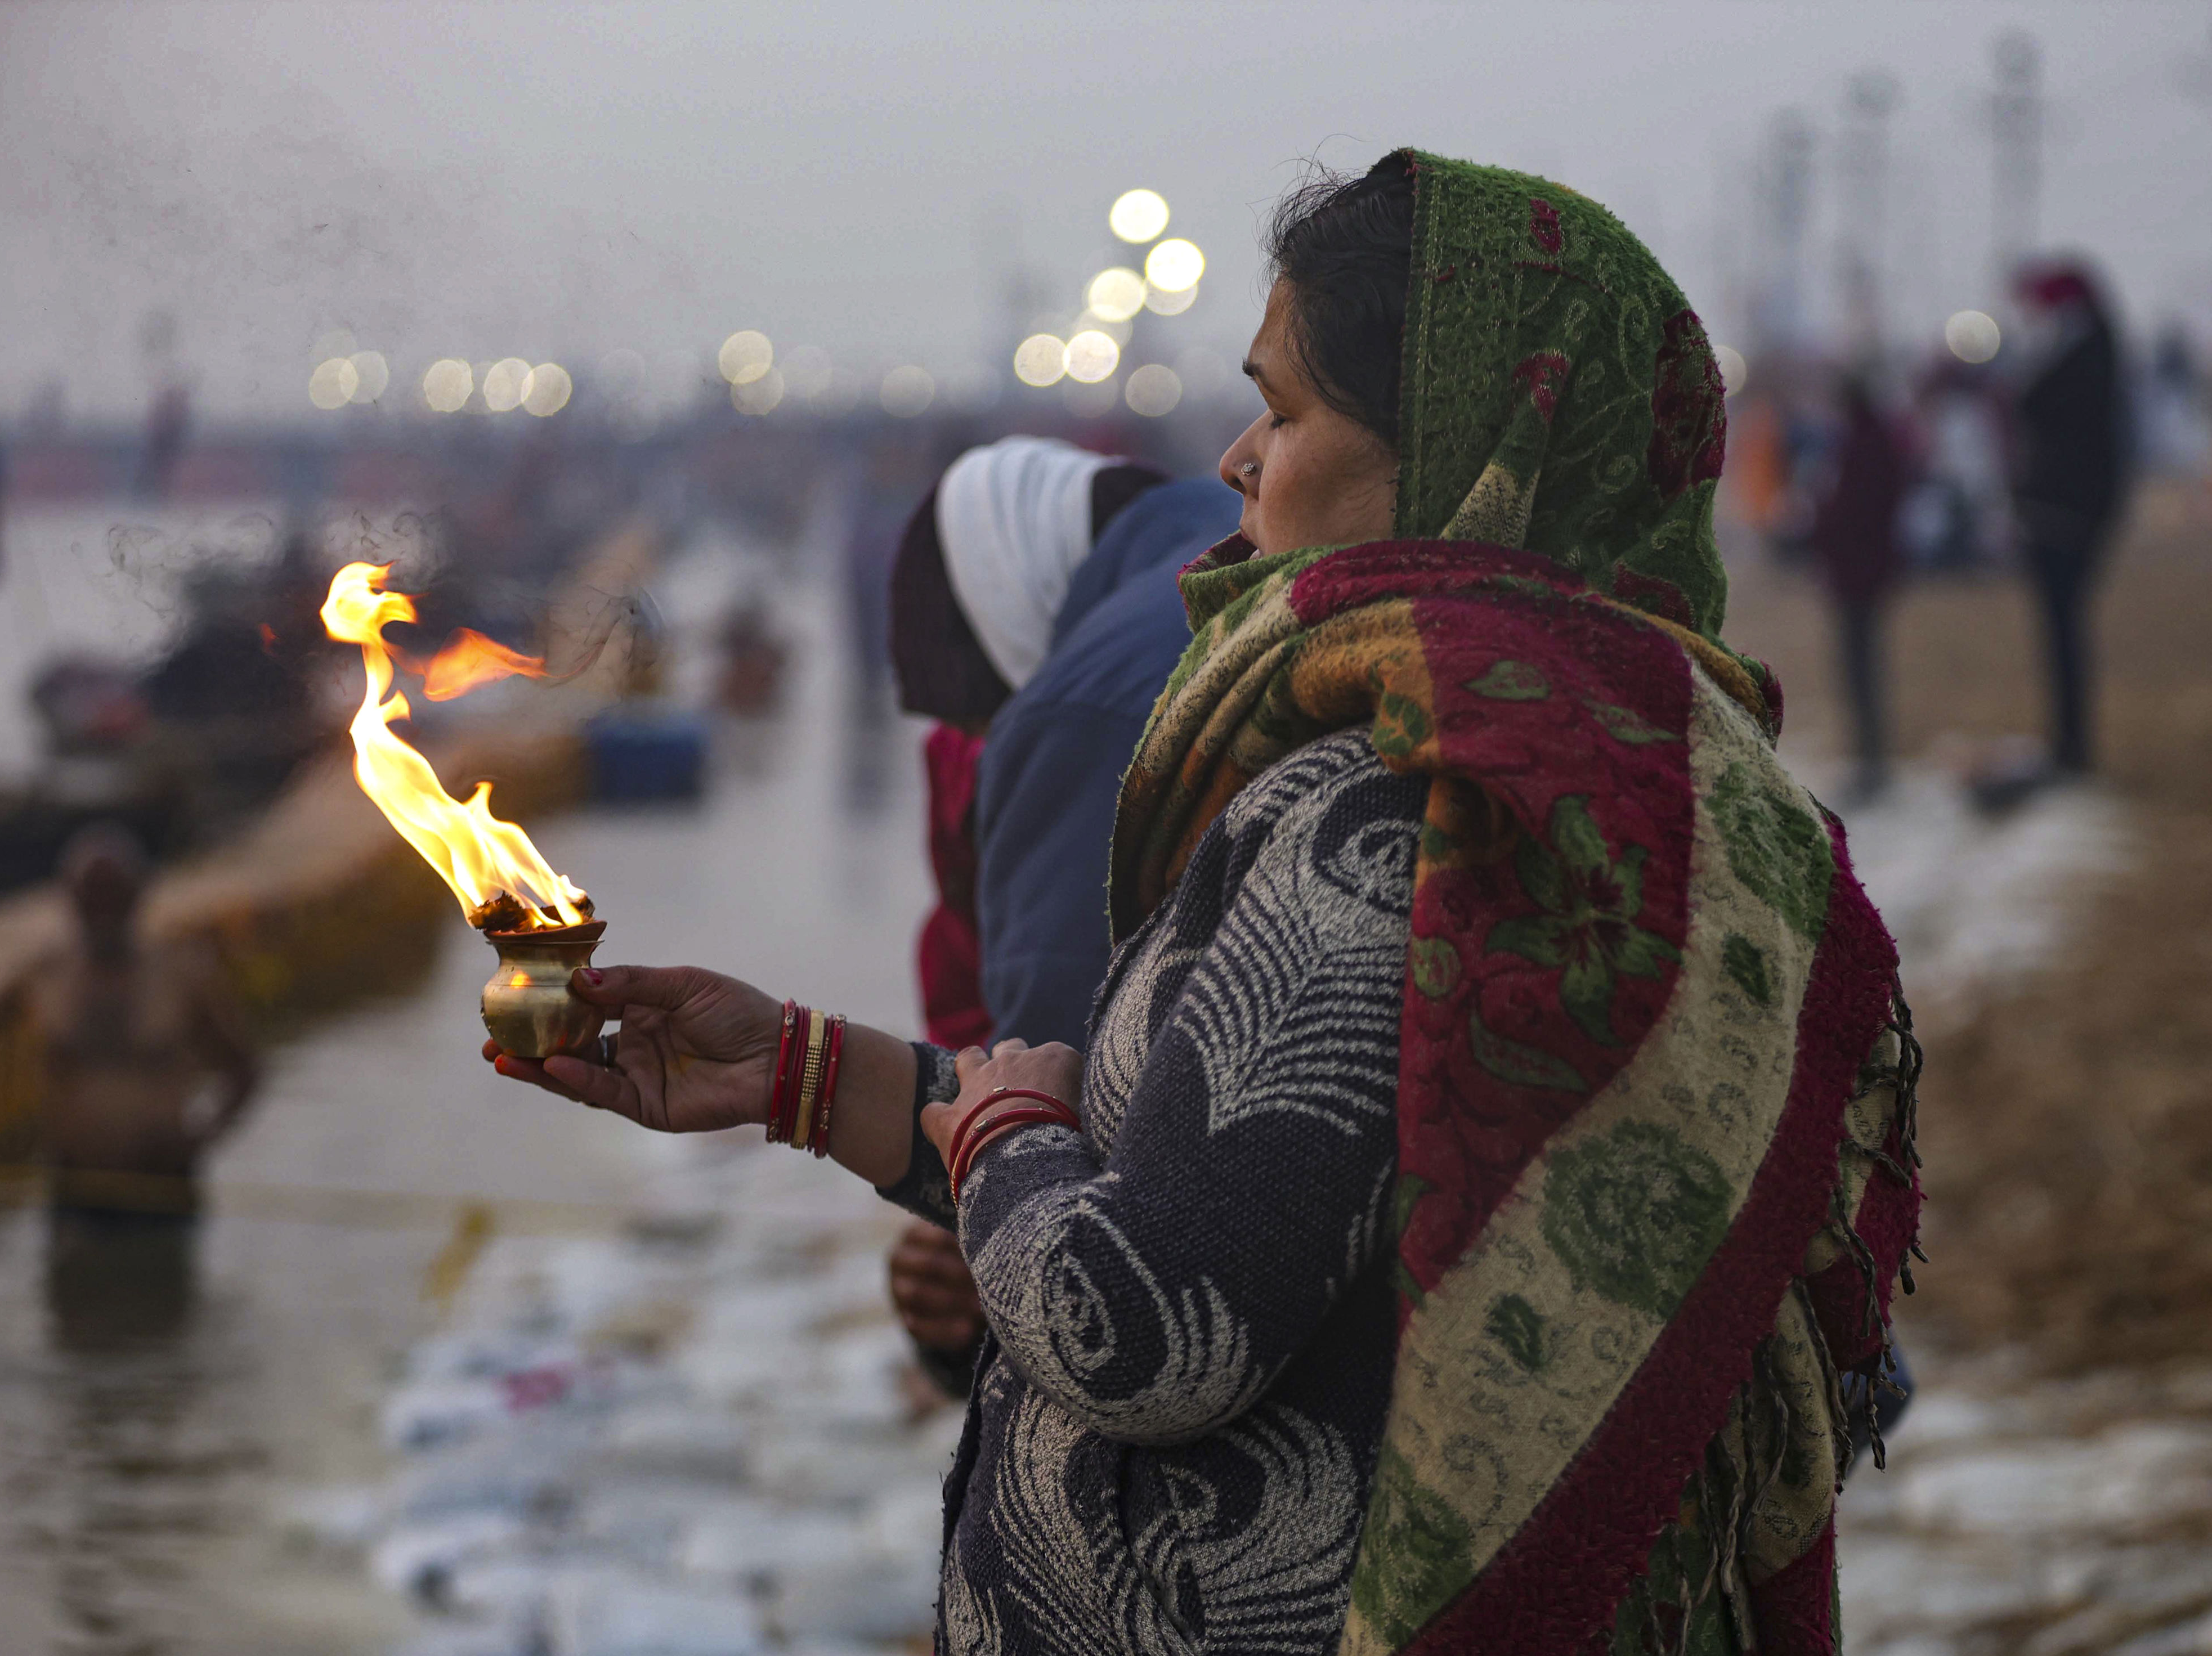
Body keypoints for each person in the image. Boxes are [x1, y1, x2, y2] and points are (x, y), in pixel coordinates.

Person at [490, 151, 1921, 1653]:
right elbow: (1237, 1181)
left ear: (1459, 459)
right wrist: (797, 1073)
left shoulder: (1393, 809)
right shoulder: (1601, 771)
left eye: (1283, 413)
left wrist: (999, 1140)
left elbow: (1147, 1323)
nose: (1235, 460)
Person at [885, 438, 1240, 1385]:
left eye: (976, 719)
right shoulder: (1232, 551)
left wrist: (977, 1244)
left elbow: (1056, 1083)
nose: (973, 747)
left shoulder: (1072, 712)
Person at [26, 826, 260, 1339]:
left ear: (137, 898)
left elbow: (243, 1071)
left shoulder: (182, 972)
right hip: (76, 1187)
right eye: (91, 899)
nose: (102, 911)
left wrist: (200, 1138)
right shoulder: (48, 974)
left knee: (162, 1324)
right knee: (73, 1328)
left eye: (114, 897)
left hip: (160, 1185)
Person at [2008, 259, 2133, 779]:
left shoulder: (2081, 354)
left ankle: (2071, 745)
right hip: (2063, 509)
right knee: (2059, 632)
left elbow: (2032, 404)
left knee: (2063, 631)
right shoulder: (2093, 350)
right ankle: (2067, 741)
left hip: (2065, 513)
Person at [1810, 373, 1912, 802]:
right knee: (1859, 667)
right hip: (1863, 570)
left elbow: (1855, 510)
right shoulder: (1870, 440)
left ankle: (1872, 761)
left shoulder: (1862, 444)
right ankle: (1869, 756)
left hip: (1859, 573)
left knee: (1861, 668)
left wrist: (1820, 525)